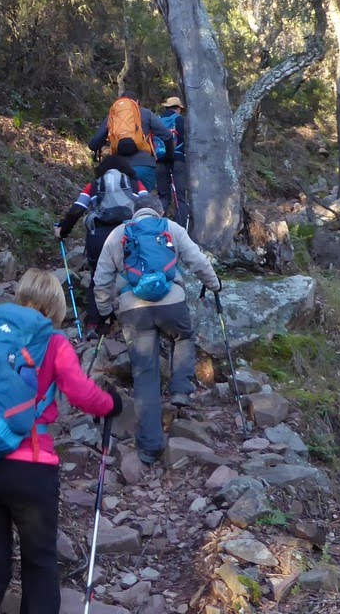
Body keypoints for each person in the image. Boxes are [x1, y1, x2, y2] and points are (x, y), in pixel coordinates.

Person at [0, 269, 121, 614]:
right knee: (39, 567)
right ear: (55, 308)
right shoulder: (53, 342)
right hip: (31, 472)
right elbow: (80, 392)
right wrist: (111, 404)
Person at [91, 196, 219, 465]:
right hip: (171, 303)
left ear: (134, 213)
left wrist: (104, 312)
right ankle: (180, 388)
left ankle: (149, 448)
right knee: (183, 337)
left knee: (145, 375)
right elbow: (198, 260)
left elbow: (101, 278)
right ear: (159, 211)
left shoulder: (119, 234)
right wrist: (214, 284)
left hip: (133, 309)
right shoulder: (171, 228)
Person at [54, 155, 149, 330]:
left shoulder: (94, 186)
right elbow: (149, 207)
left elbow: (77, 210)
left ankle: (93, 322)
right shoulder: (136, 185)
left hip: (98, 237)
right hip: (128, 235)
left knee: (97, 278)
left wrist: (62, 231)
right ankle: (129, 321)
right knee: (131, 274)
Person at [87, 91, 175, 192]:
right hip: (144, 166)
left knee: (123, 199)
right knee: (143, 199)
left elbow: (94, 144)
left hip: (119, 169)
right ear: (136, 102)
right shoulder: (146, 113)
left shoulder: (113, 116)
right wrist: (168, 158)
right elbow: (168, 136)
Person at [156, 96, 189, 228]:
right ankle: (179, 229)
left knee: (163, 196)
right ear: (178, 108)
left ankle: (158, 228)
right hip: (178, 159)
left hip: (160, 159)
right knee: (179, 197)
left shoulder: (158, 120)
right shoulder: (180, 120)